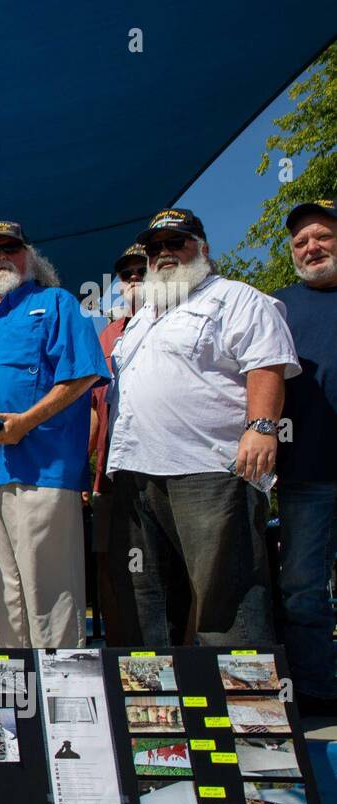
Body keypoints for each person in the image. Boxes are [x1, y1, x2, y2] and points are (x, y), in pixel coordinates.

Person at [106, 209, 299, 646]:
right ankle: (159, 710)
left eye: (177, 242)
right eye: (155, 248)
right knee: (146, 601)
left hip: (210, 470)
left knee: (226, 599)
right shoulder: (142, 318)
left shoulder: (236, 297)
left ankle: (242, 707)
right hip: (137, 475)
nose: (164, 253)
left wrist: (263, 427)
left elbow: (266, 363)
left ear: (203, 248)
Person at [0, 222, 108, 648]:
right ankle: (5, 702)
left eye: (11, 249)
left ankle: (60, 700)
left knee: (50, 592)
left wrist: (26, 422)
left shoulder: (56, 303)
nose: (1, 257)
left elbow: (83, 374)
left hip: (43, 471)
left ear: (30, 256)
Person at [271, 198, 337, 714]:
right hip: (306, 473)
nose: (311, 247)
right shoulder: (277, 308)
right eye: (300, 242)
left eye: (322, 237)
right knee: (302, 588)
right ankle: (316, 688)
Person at [88, 244, 147, 646]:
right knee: (110, 564)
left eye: (142, 269)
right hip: (111, 474)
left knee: (174, 569)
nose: (134, 278)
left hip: (175, 470)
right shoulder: (109, 333)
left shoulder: (189, 317)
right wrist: (83, 471)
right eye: (126, 273)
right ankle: (121, 652)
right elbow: (94, 407)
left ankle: (183, 654)